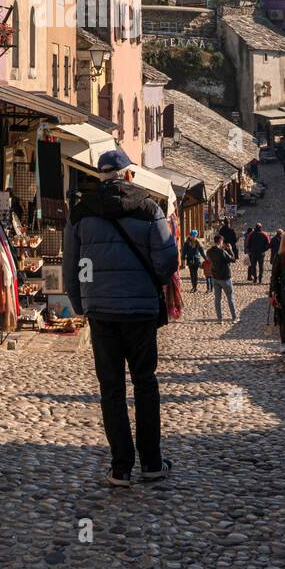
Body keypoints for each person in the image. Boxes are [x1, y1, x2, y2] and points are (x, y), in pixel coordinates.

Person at [63, 147, 179, 486]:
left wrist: (82, 305)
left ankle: (121, 467)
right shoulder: (148, 208)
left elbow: (71, 268)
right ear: (129, 174)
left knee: (111, 388)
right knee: (145, 383)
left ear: (99, 177)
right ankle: (153, 462)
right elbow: (167, 262)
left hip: (102, 312)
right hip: (141, 312)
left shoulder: (81, 212)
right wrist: (149, 281)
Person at [207, 233, 237, 322]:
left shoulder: (209, 251)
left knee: (217, 299)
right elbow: (233, 259)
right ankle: (234, 317)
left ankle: (220, 318)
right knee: (230, 297)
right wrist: (230, 250)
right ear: (220, 241)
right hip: (225, 277)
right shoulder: (222, 251)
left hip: (215, 277)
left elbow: (211, 258)